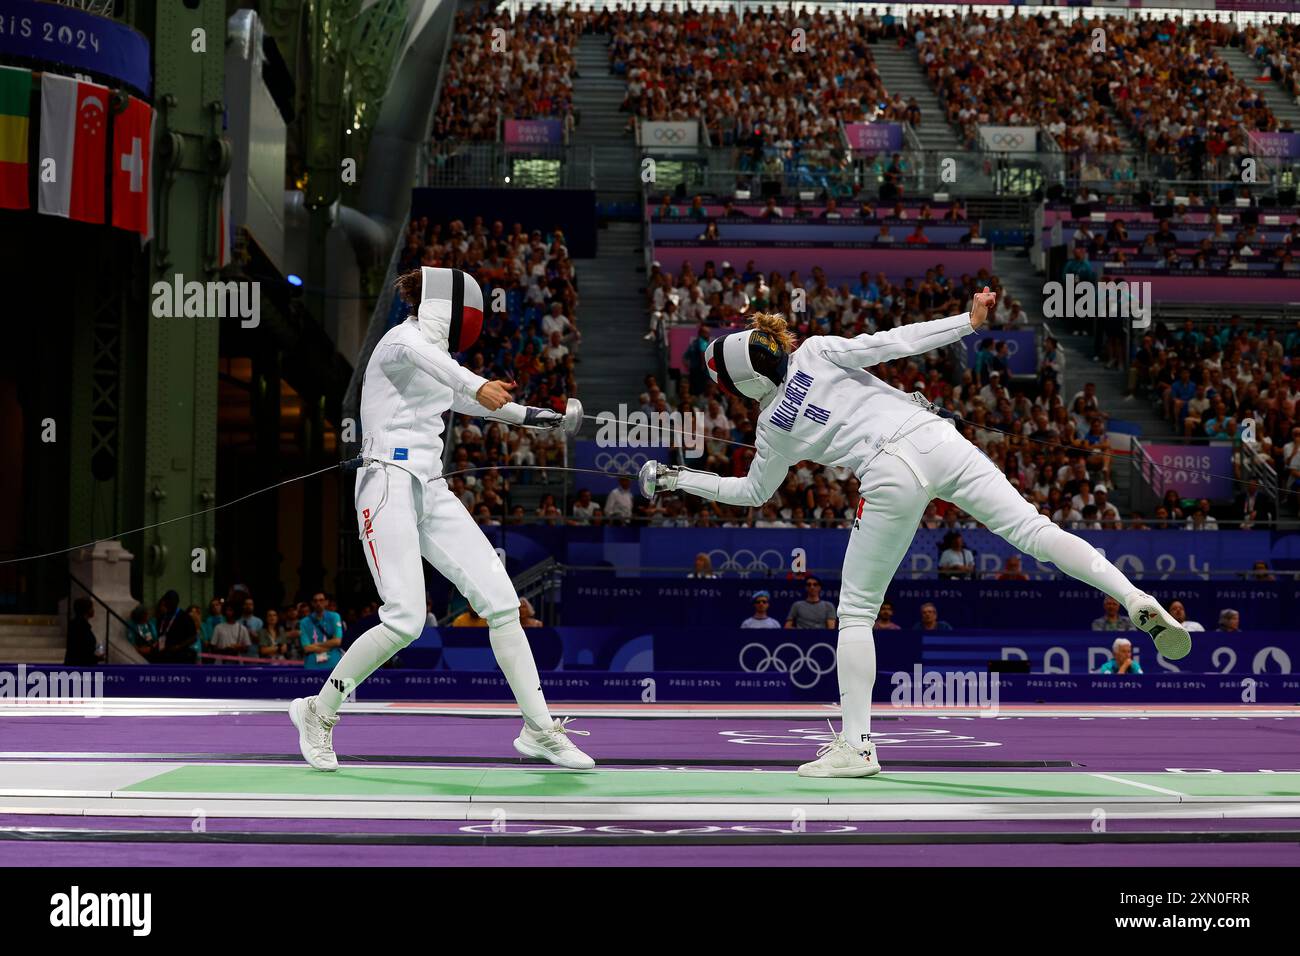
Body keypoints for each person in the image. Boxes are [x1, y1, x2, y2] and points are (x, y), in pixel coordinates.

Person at [640, 295, 1190, 778]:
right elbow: (894, 342)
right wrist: (968, 322)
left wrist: (674, 479)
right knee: (1034, 528)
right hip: (937, 438)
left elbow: (752, 494)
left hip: (889, 471)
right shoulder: (815, 350)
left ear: (742, 384)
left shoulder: (772, 428)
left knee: (856, 612)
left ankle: (856, 747)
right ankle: (1135, 598)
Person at [291, 267, 593, 772]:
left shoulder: (439, 363)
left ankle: (539, 731)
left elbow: (483, 405)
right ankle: (319, 713)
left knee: (501, 602)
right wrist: (478, 386)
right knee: (406, 618)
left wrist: (549, 418)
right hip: (385, 482)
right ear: (444, 308)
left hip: (430, 487)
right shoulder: (400, 342)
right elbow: (454, 377)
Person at [65, 597, 97, 666]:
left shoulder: (82, 625)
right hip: (78, 668)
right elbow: (80, 651)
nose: (93, 610)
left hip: (82, 666)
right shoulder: (78, 626)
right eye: (91, 608)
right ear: (86, 610)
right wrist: (96, 658)